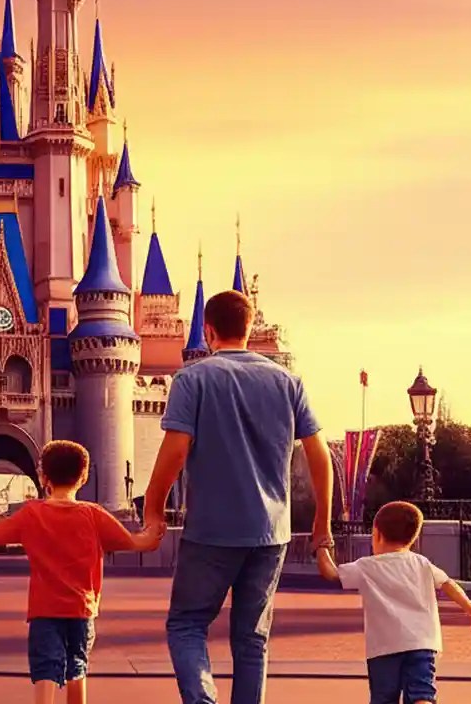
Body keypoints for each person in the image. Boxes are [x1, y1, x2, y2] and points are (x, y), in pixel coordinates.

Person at [142, 289, 335, 704]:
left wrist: (153, 511)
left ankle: (202, 699)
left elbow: (175, 451)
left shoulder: (192, 380)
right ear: (248, 329)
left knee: (188, 624)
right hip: (270, 533)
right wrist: (322, 527)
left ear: (208, 331)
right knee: (251, 640)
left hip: (211, 531)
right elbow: (320, 456)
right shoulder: (288, 382)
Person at [0, 440, 166, 704]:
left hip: (45, 611)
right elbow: (140, 543)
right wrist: (155, 522)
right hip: (82, 610)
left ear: (43, 476)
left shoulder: (32, 514)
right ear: (84, 477)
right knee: (77, 669)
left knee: (46, 669)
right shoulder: (94, 515)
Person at [316, 501, 471, 704]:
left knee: (384, 697)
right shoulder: (422, 563)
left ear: (377, 534)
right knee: (422, 692)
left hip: (384, 647)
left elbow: (332, 574)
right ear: (413, 539)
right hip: (422, 642)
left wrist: (322, 546)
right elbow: (448, 584)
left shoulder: (367, 567)